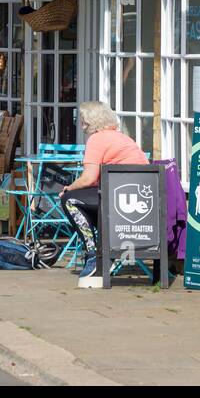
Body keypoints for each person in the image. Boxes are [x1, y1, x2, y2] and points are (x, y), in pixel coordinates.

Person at [59, 101, 146, 290]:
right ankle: (105, 251)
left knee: (70, 200)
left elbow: (89, 178)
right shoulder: (121, 138)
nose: (80, 121)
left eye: (82, 118)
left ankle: (94, 255)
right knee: (87, 199)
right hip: (141, 202)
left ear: (90, 120)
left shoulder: (97, 139)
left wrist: (68, 188)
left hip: (120, 201)